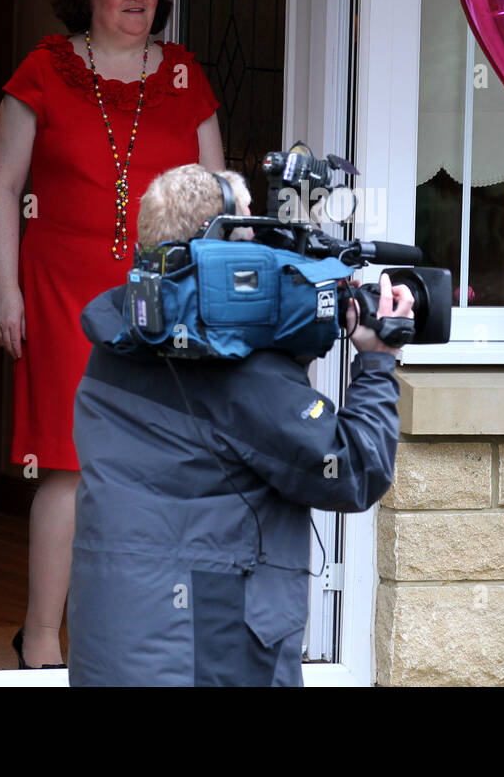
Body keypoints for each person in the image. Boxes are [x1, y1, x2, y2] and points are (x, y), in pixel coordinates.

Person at [66, 164, 411, 685]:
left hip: (115, 647)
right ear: (222, 247)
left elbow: (208, 445)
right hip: (208, 653)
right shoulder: (243, 378)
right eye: (252, 229)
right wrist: (379, 360)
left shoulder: (115, 346)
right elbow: (355, 468)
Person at [0, 0, 224, 669]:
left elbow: (216, 198)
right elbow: (0, 186)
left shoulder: (186, 75)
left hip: (161, 290)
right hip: (58, 288)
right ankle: (45, 637)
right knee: (68, 462)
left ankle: (130, 636)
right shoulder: (44, 70)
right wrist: (4, 288)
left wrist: (212, 293)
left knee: (157, 463)